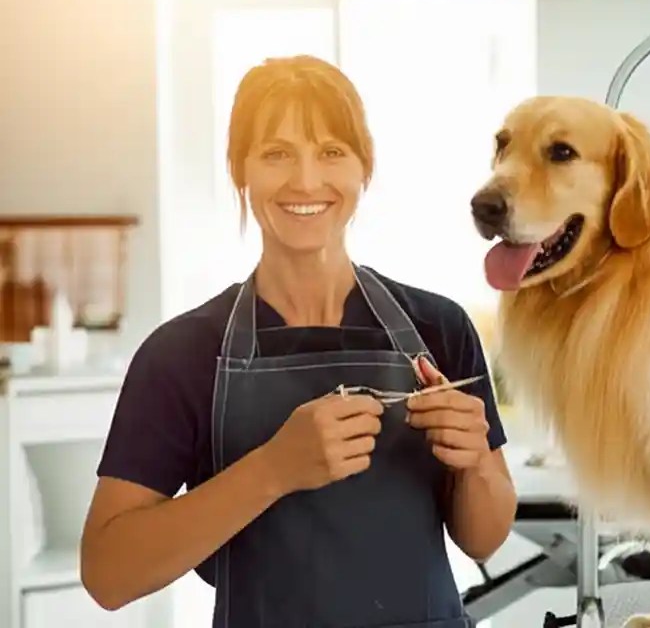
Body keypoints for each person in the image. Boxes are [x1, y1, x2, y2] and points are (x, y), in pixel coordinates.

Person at [80, 55, 516, 628]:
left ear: (365, 167)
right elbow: (109, 575)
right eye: (276, 154)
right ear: (240, 170)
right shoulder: (181, 355)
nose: (306, 181)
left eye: (332, 152)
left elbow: (483, 541)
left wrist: (476, 463)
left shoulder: (440, 328)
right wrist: (274, 469)